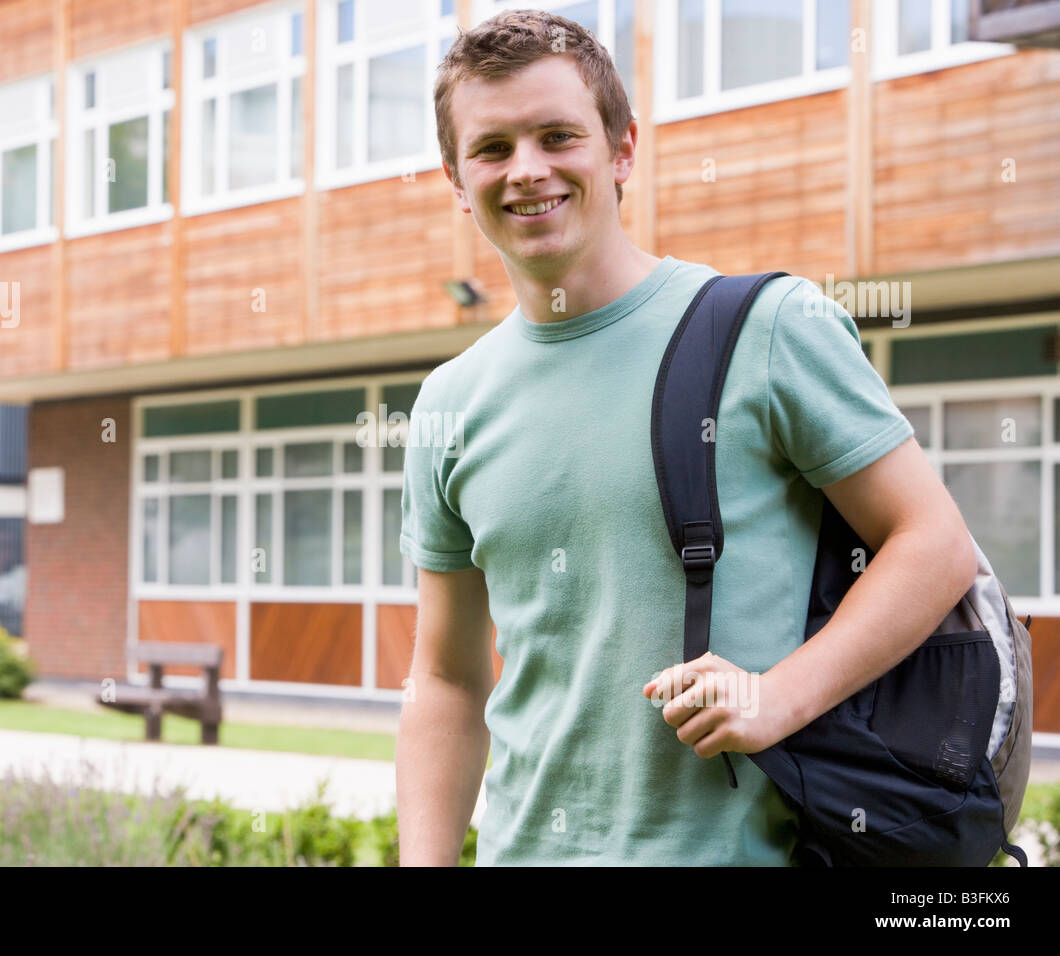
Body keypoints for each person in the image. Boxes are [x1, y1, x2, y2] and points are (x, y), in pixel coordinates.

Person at [394, 9, 978, 866]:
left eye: (558, 135)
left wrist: (778, 697)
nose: (527, 171)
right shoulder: (448, 401)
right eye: (492, 149)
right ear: (454, 175)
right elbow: (445, 679)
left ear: (622, 149)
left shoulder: (770, 328)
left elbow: (933, 545)